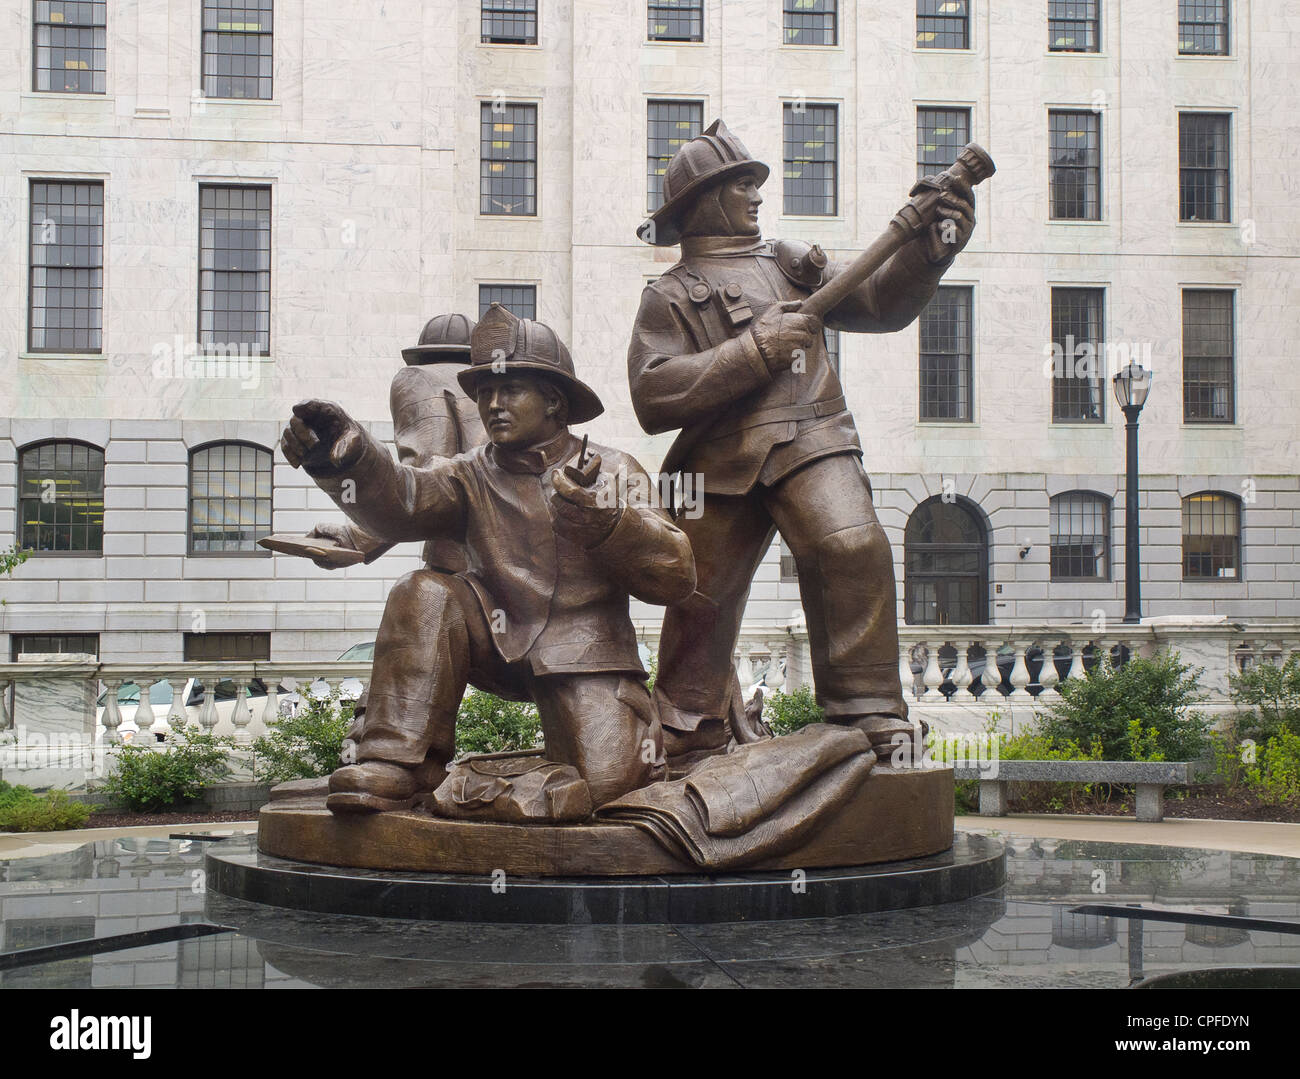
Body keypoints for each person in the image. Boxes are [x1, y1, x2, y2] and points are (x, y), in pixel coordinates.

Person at [627, 119, 976, 765]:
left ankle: (868, 710)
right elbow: (653, 396)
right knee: (698, 594)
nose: (757, 195)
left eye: (755, 183)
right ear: (703, 200)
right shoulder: (669, 294)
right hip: (717, 461)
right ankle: (688, 726)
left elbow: (880, 304)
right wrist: (752, 351)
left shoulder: (790, 262)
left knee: (852, 545)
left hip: (812, 433)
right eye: (740, 185)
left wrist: (931, 252)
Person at [280, 304, 696, 813]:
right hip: (491, 640)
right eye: (485, 393)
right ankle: (397, 765)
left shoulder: (614, 469)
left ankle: (480, 787)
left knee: (607, 788)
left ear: (554, 403)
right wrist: (347, 458)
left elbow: (676, 576)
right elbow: (403, 500)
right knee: (424, 591)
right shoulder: (466, 472)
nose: (493, 404)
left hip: (584, 654)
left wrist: (607, 521)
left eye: (510, 390)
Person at [299, 312, 486, 573]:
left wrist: (357, 539)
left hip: (461, 567)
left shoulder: (417, 378)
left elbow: (421, 485)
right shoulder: (495, 386)